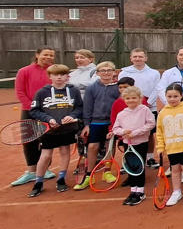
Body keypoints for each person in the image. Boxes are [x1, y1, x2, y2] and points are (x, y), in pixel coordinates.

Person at [27, 64, 83, 197]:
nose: (59, 77)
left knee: (65, 151)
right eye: (55, 75)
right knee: (46, 155)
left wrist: (72, 116)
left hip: (67, 129)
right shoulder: (42, 92)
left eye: (62, 74)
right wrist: (48, 119)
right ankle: (38, 182)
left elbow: (79, 108)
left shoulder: (73, 90)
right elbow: (34, 111)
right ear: (50, 76)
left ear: (67, 76)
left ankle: (61, 179)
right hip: (48, 130)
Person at [12, 46, 57, 186]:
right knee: (29, 141)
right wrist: (32, 107)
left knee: (46, 140)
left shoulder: (54, 72)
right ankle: (31, 171)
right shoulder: (24, 71)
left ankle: (45, 169)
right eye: (45, 54)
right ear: (37, 55)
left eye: (51, 55)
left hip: (49, 111)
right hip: (29, 111)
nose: (48, 57)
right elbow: (20, 92)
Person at [73, 61, 121, 191]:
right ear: (98, 73)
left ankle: (107, 172)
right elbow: (87, 107)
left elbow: (119, 106)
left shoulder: (118, 88)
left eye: (109, 70)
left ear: (114, 72)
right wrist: (87, 125)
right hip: (95, 122)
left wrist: (117, 123)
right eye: (103, 71)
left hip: (111, 123)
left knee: (109, 147)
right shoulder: (91, 88)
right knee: (92, 146)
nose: (106, 73)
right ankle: (89, 175)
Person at [110, 86, 155, 205]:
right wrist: (123, 132)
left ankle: (140, 192)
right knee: (131, 167)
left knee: (140, 167)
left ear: (139, 98)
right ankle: (133, 191)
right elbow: (115, 128)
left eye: (134, 98)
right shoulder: (122, 114)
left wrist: (135, 133)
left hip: (141, 143)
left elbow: (151, 124)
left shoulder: (145, 110)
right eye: (128, 98)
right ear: (124, 99)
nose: (131, 100)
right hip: (128, 144)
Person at [118, 48, 161, 167]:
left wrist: (147, 103)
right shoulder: (123, 72)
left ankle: (150, 158)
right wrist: (131, 104)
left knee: (149, 133)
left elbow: (157, 89)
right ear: (131, 58)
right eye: (135, 56)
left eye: (140, 56)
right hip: (130, 109)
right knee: (129, 133)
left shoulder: (154, 73)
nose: (138, 59)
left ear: (146, 58)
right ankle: (129, 159)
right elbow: (123, 90)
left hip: (149, 107)